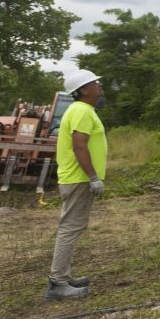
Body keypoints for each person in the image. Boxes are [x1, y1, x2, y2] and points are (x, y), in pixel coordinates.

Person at [47, 68, 107, 301]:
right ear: (83, 90)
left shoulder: (81, 109)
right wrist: (92, 177)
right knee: (70, 228)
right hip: (78, 178)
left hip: (76, 178)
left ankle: (63, 276)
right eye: (94, 82)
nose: (99, 85)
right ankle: (58, 283)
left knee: (72, 227)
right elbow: (79, 146)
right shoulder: (82, 111)